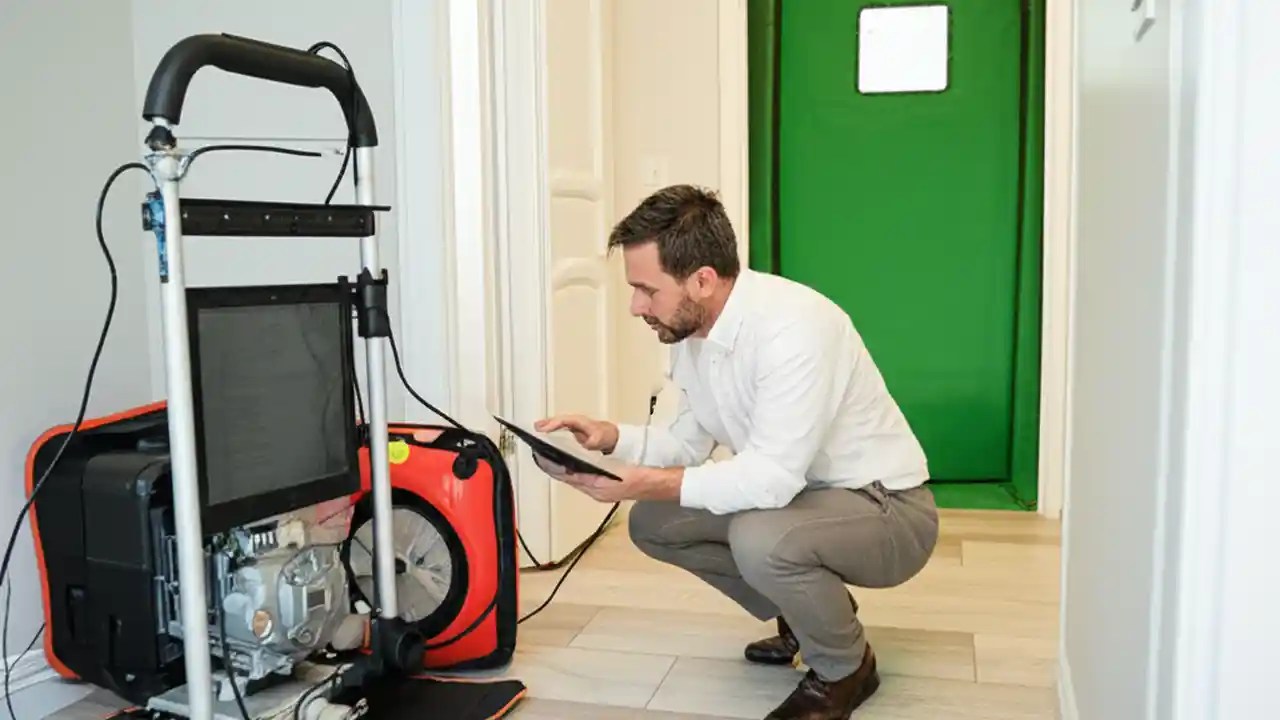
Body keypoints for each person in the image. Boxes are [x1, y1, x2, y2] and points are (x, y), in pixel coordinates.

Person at [535, 184, 938, 720]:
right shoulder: (695, 332)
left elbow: (771, 479)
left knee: (758, 537)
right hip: (804, 503)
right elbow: (686, 444)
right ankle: (811, 614)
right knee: (653, 521)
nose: (635, 307)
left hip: (888, 510)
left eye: (645, 290)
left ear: (702, 280)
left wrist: (643, 480)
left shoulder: (794, 330)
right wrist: (610, 438)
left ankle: (846, 667)